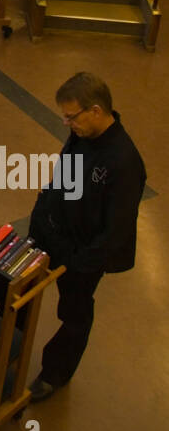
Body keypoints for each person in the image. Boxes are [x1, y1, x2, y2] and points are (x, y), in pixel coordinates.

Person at [27, 72, 146, 401]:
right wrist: (43, 208)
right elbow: (64, 174)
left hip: (80, 254)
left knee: (75, 314)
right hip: (48, 230)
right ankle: (5, 344)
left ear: (96, 110)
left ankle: (55, 374)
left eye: (71, 116)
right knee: (19, 289)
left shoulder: (124, 163)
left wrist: (78, 264)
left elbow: (116, 231)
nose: (67, 124)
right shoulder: (83, 134)